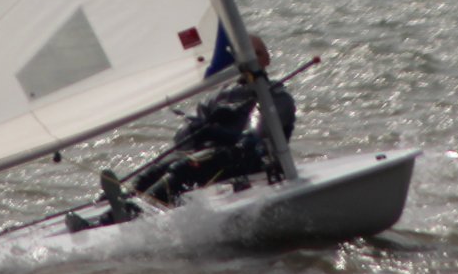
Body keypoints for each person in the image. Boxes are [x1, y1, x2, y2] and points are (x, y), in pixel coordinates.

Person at [66, 34, 296, 232]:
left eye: (255, 54)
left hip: (248, 162)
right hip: (214, 156)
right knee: (157, 169)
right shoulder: (222, 95)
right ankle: (120, 203)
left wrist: (218, 132)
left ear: (266, 59)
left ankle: (118, 219)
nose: (248, 60)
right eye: (241, 54)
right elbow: (184, 138)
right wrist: (195, 129)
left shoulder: (275, 96)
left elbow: (251, 139)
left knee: (183, 169)